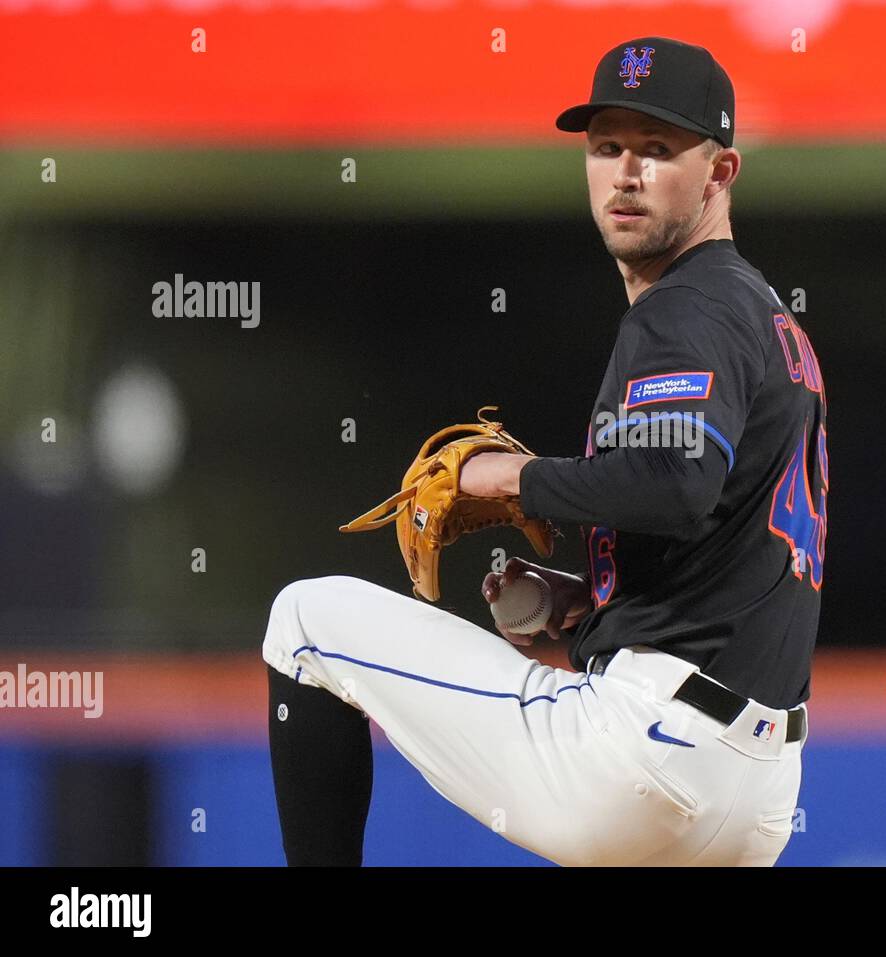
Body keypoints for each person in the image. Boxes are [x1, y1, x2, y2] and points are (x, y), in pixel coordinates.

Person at [262, 35, 828, 867]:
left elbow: (673, 487)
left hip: (649, 755)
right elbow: (726, 539)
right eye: (607, 146)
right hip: (758, 788)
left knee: (304, 624)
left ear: (720, 172)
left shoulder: (687, 309)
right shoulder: (765, 318)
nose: (626, 172)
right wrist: (587, 595)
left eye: (658, 149)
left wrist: (510, 477)